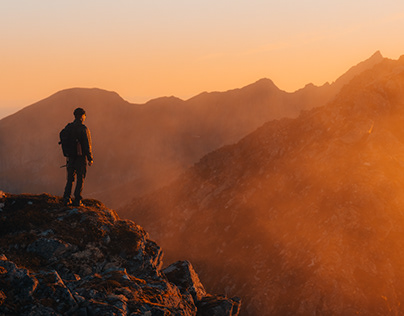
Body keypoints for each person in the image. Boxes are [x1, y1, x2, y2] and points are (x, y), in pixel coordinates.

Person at [62, 107, 93, 206]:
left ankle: (66, 198)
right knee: (80, 178)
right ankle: (77, 199)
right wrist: (90, 158)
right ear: (82, 116)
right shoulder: (83, 129)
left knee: (70, 178)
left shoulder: (68, 127)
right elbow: (87, 145)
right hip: (80, 158)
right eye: (84, 116)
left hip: (70, 157)